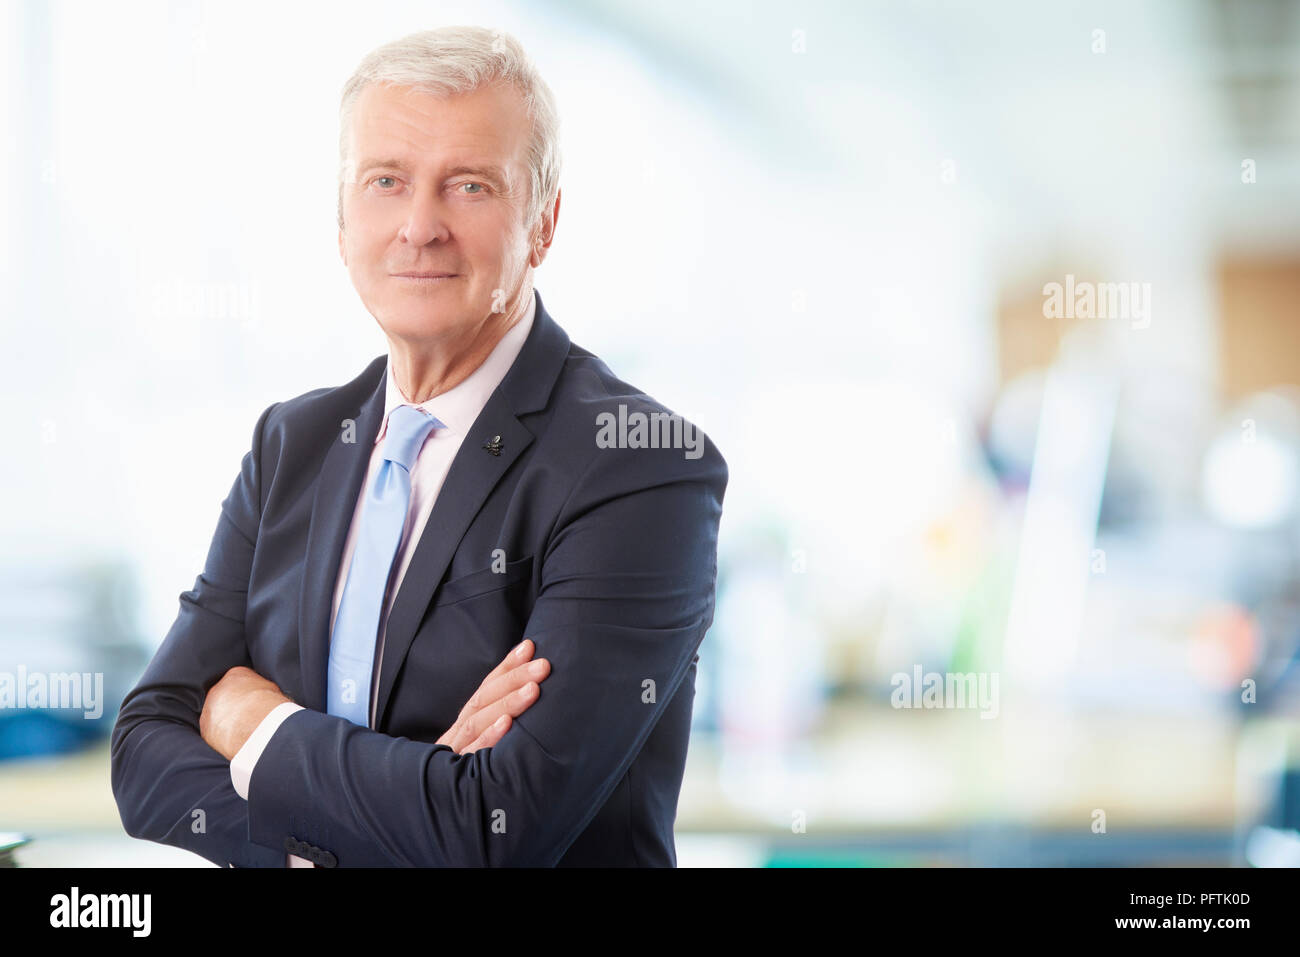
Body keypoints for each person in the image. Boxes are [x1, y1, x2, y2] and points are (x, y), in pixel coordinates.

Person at [109, 25, 727, 867]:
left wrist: (259, 725)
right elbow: (145, 748)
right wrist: (365, 822)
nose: (419, 225)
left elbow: (494, 829)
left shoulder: (640, 468)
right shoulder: (292, 443)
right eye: (386, 181)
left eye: (469, 186)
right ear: (341, 221)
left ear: (542, 223)